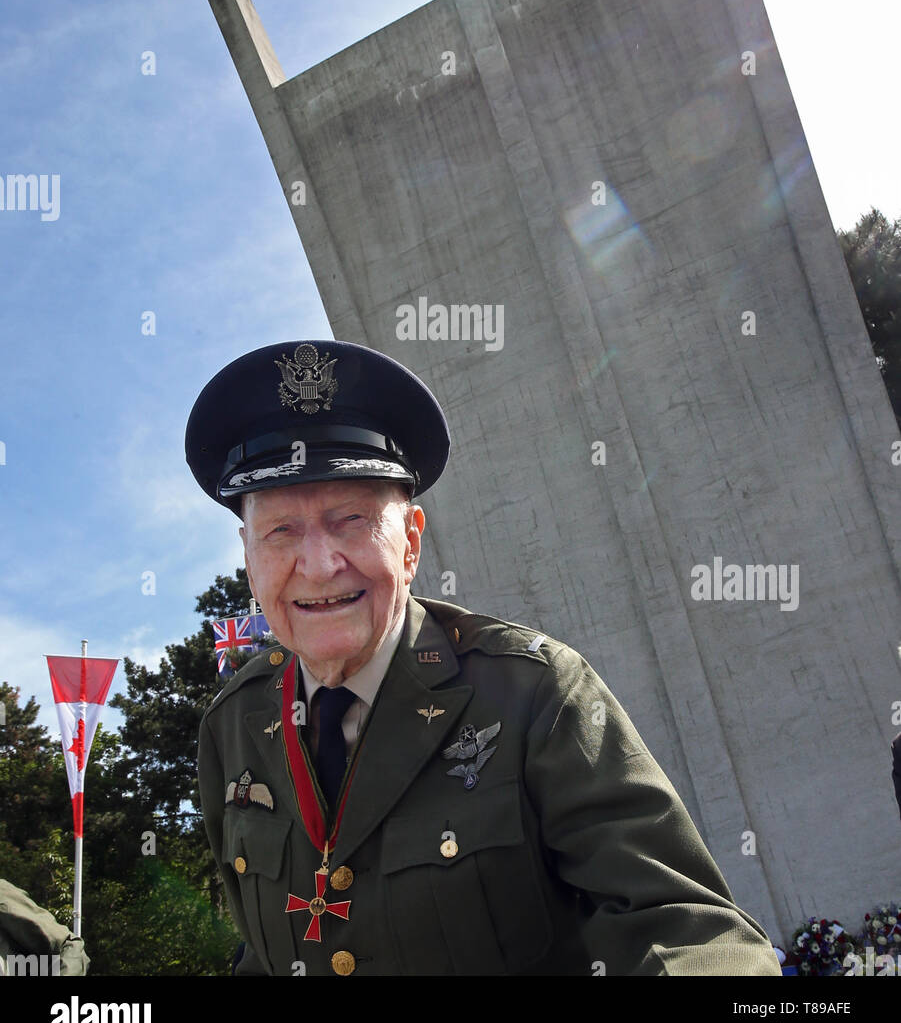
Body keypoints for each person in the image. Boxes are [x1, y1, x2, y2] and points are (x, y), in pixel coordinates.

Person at [188, 339, 782, 977]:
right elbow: (267, 952)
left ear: (411, 544)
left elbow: (684, 929)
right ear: (249, 559)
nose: (320, 564)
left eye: (351, 520)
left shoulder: (535, 694)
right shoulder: (234, 726)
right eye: (280, 531)